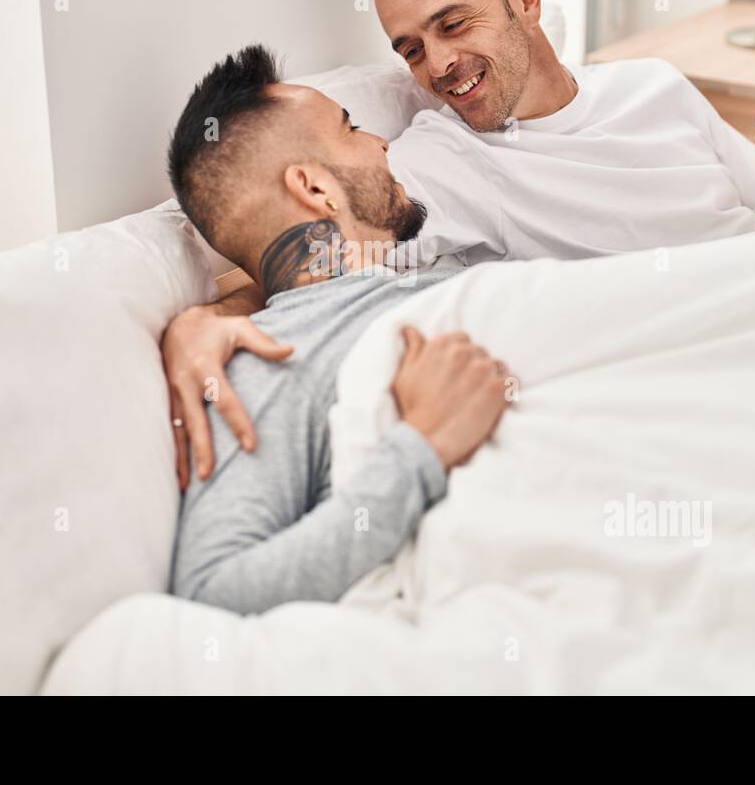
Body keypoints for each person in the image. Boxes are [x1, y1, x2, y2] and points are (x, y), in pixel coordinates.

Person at [165, 0, 755, 486]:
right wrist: (200, 320)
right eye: (410, 50)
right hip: (728, 374)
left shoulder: (656, 85)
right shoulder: (448, 159)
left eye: (453, 25)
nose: (436, 66)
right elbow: (308, 239)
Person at [167, 44, 511, 615]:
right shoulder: (272, 361)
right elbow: (213, 588)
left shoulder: (428, 266)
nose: (381, 144)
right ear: (317, 189)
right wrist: (420, 451)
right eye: (351, 129)